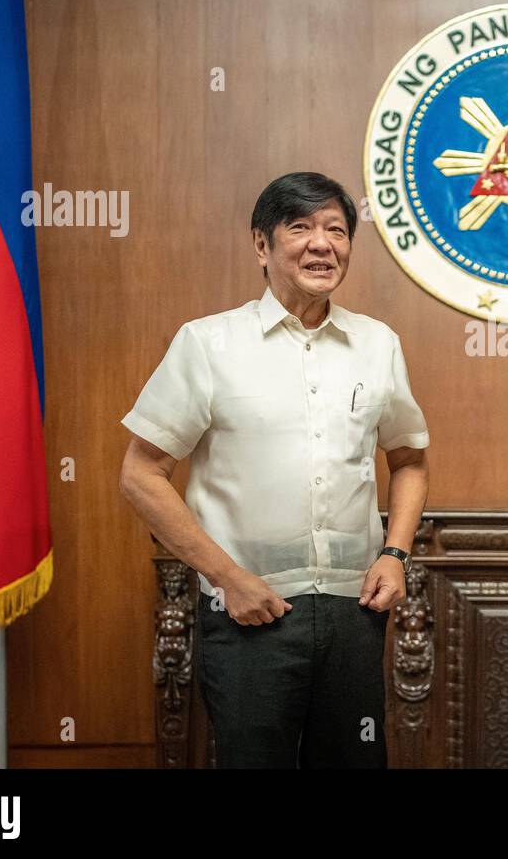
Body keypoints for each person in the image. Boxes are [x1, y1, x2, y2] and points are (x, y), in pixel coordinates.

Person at [119, 171, 430, 768]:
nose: (323, 244)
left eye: (337, 231)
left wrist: (395, 553)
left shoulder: (378, 344)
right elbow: (141, 475)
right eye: (301, 228)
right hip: (248, 616)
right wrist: (228, 577)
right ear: (261, 245)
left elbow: (410, 459)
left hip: (352, 615)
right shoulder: (208, 344)